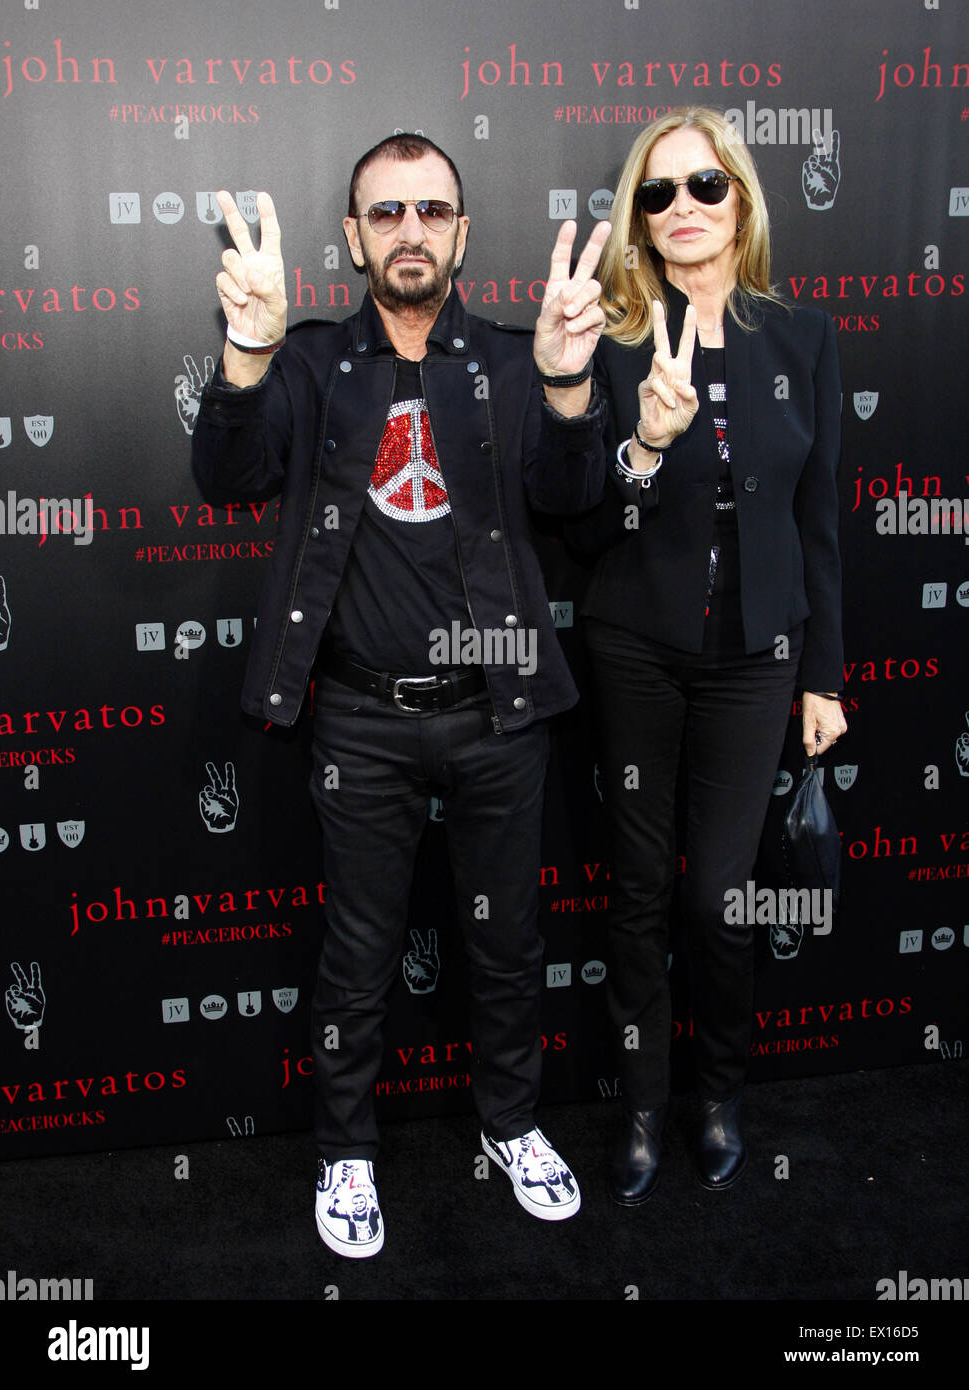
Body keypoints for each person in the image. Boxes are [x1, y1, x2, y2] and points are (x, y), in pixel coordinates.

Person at [191, 134, 610, 1257]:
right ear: (354, 237)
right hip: (361, 718)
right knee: (357, 950)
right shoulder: (309, 362)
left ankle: (513, 1125)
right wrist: (242, 351)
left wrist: (571, 382)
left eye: (432, 210)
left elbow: (579, 507)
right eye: (387, 213)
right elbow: (226, 478)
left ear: (463, 233)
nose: (411, 229)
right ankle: (345, 1152)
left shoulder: (524, 360)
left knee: (510, 943)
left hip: (498, 709)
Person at [567, 106, 847, 1202]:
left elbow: (818, 516)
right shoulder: (604, 334)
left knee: (716, 899)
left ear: (739, 198)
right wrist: (643, 444)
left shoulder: (802, 338)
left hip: (756, 659)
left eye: (702, 186)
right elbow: (578, 527)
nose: (680, 208)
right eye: (656, 192)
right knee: (639, 890)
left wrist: (823, 672)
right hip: (634, 646)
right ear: (635, 216)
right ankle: (641, 1110)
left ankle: (718, 1094)